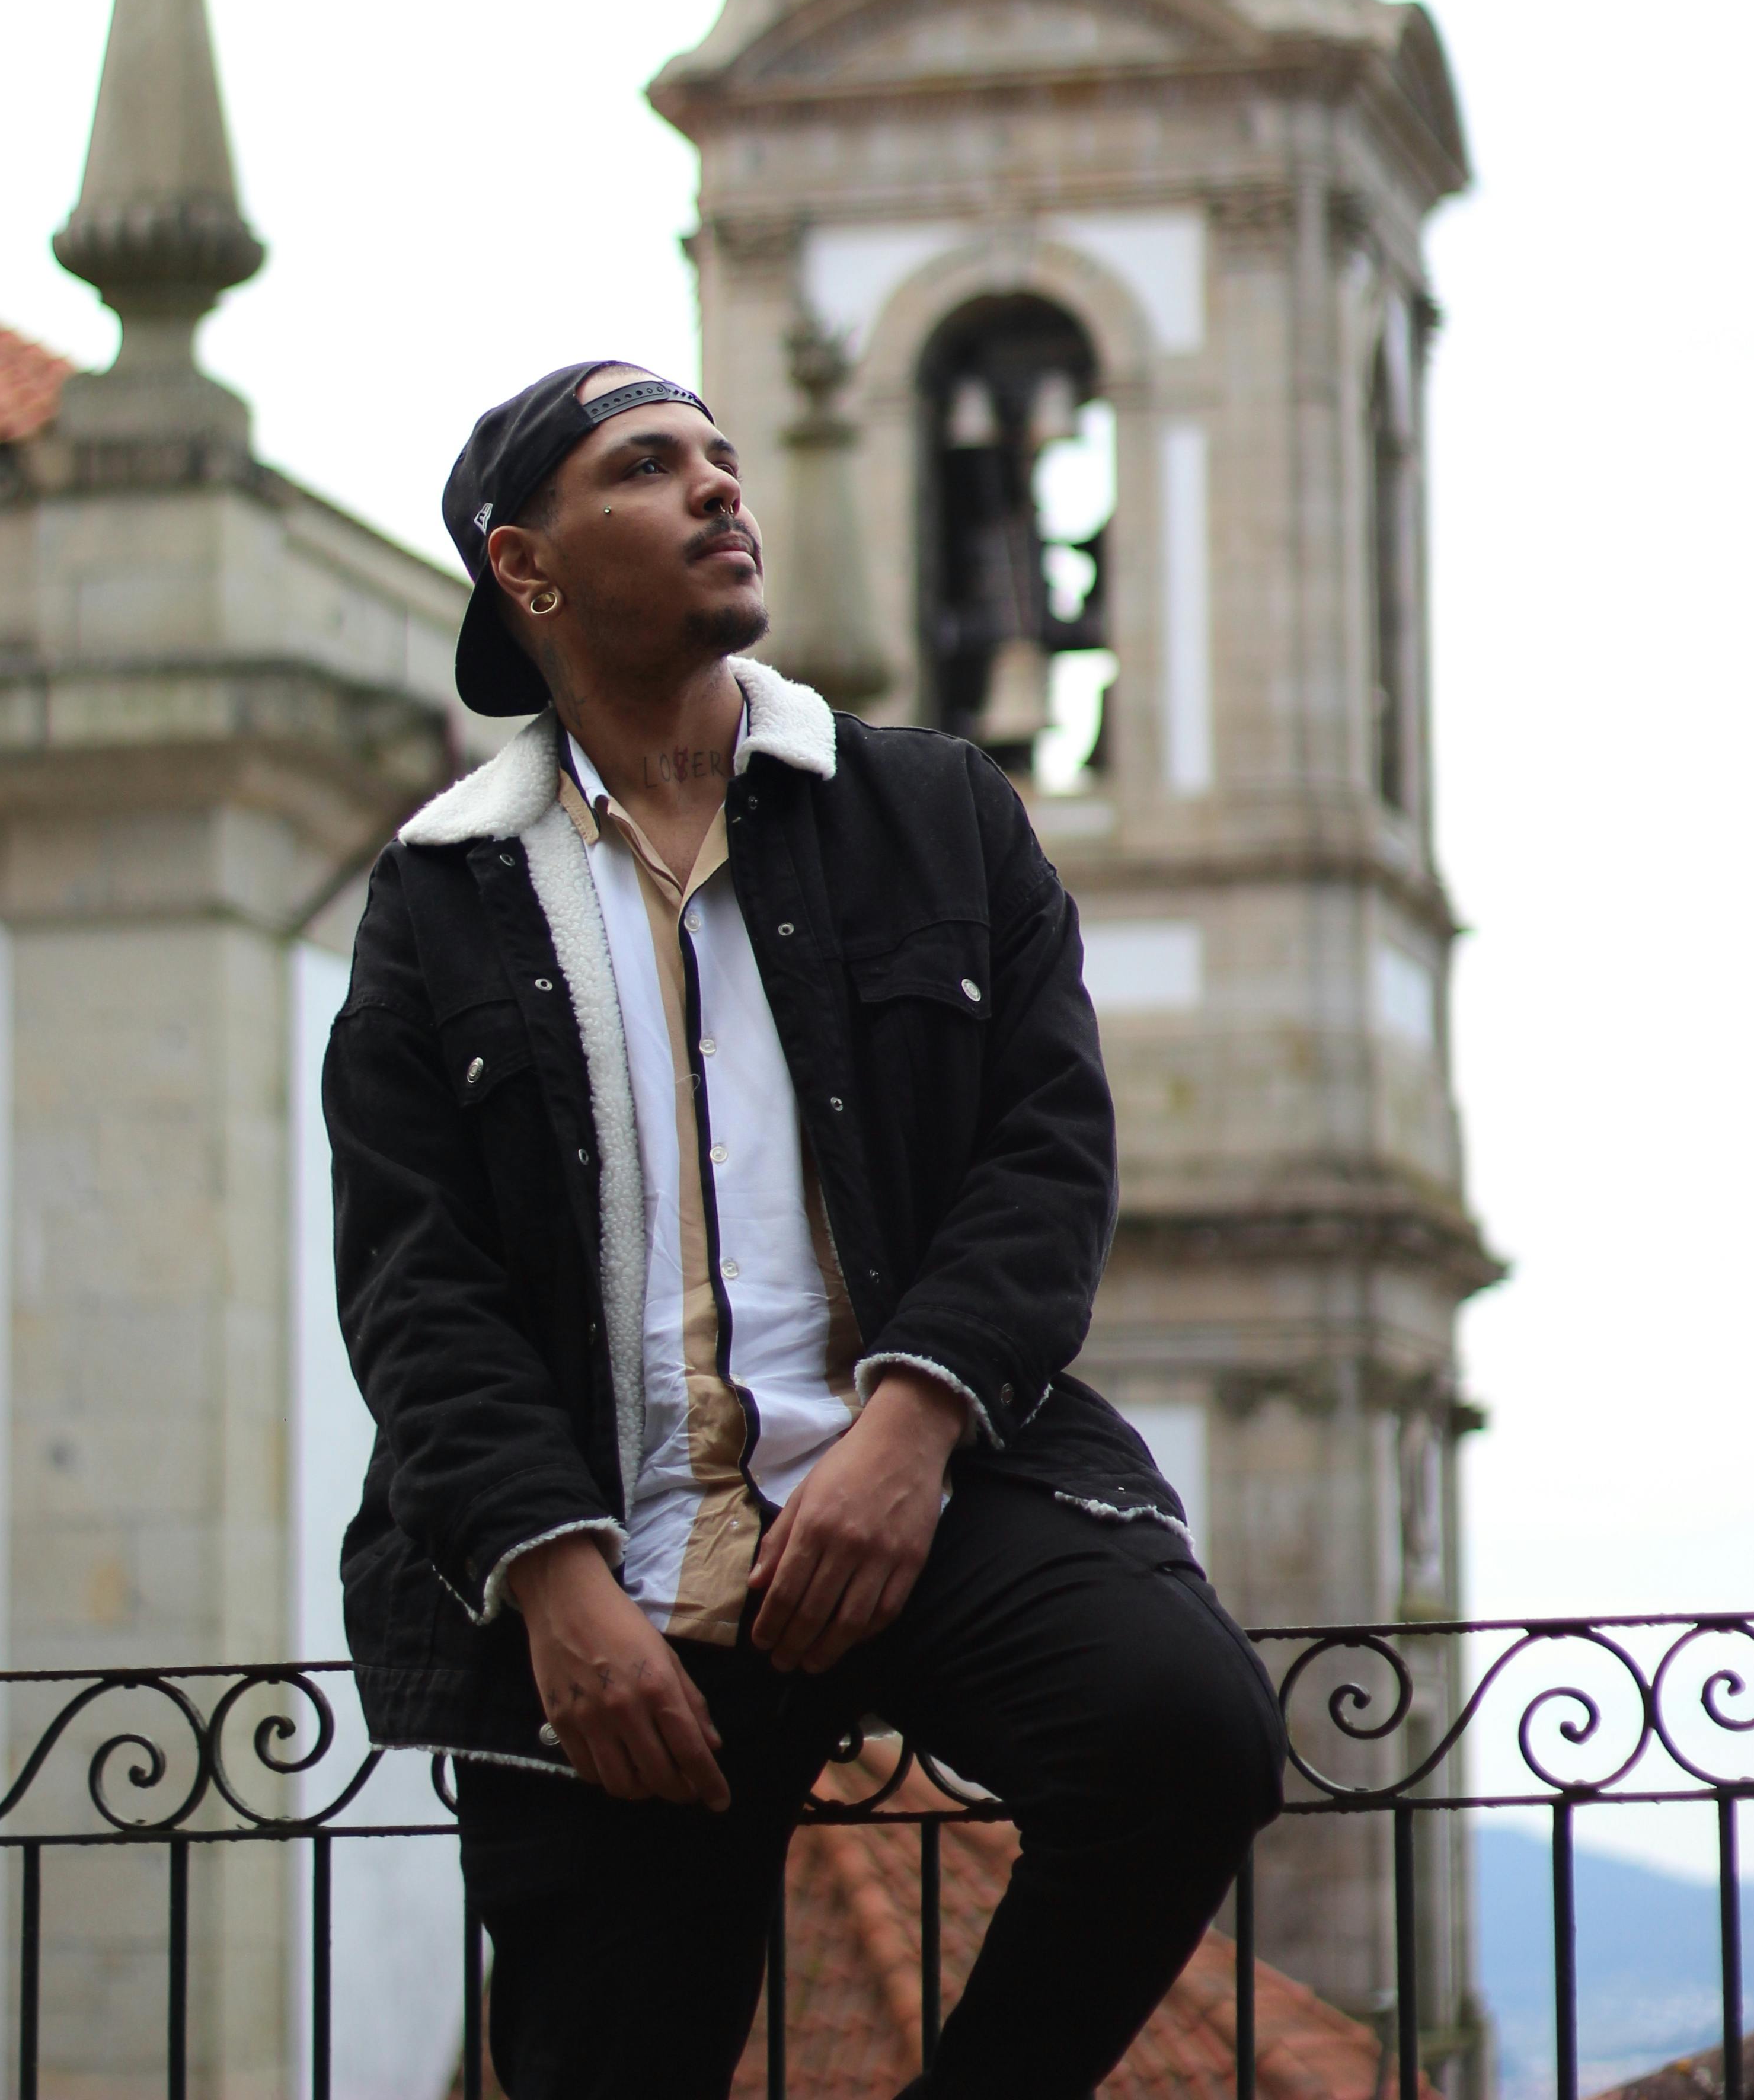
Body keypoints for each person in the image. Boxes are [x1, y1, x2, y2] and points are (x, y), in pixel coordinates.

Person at [324, 361, 1284, 2099]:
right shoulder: (439, 898)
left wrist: (912, 1431)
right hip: (619, 1571)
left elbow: (1047, 1154)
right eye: (648, 468)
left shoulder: (936, 816)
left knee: (1186, 1736)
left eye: (720, 457)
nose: (714, 488)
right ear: (526, 570)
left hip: (913, 1497)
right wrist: (555, 1586)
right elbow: (418, 1293)